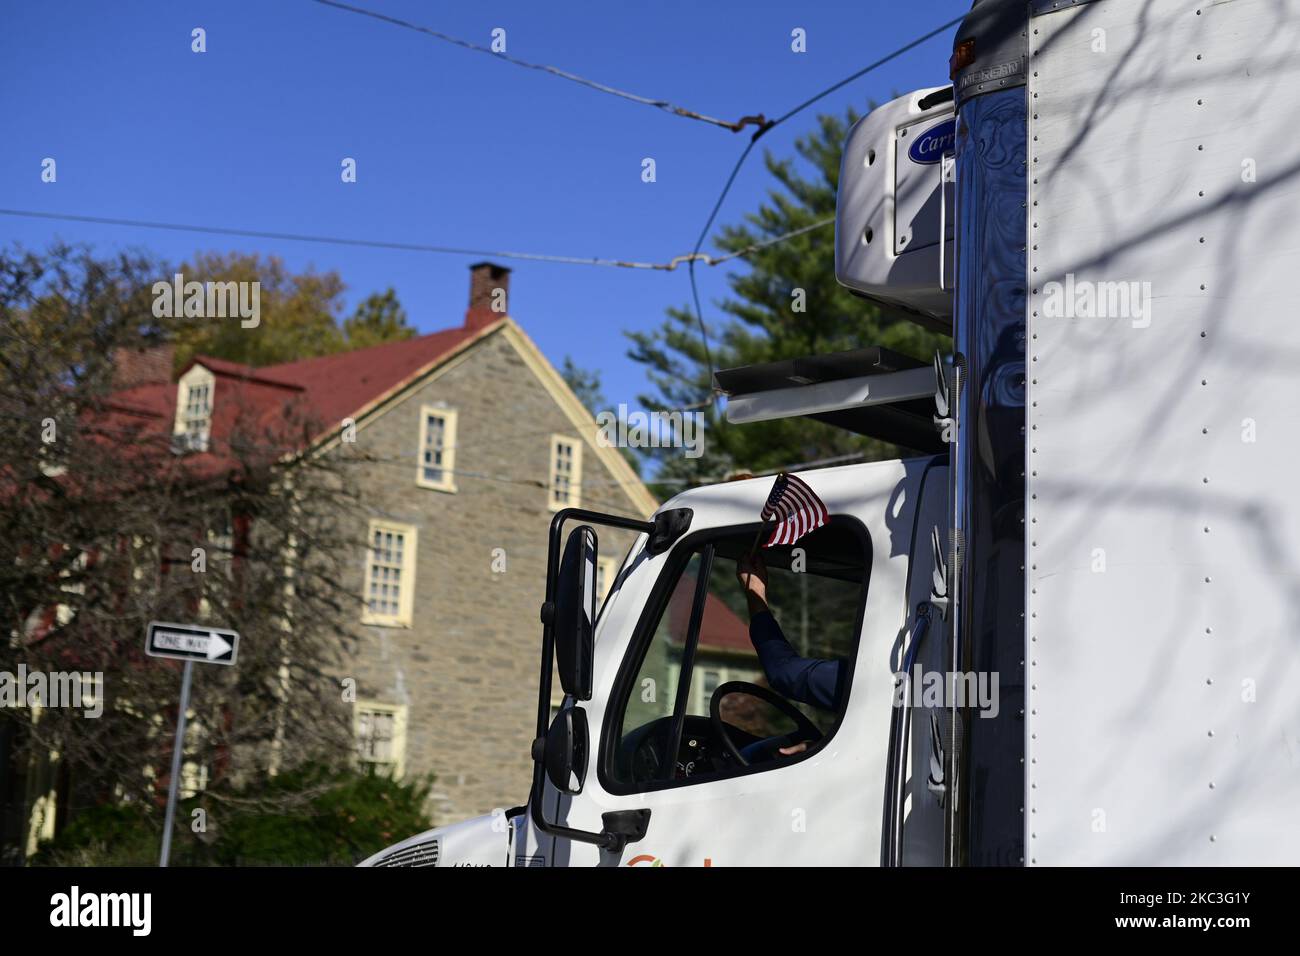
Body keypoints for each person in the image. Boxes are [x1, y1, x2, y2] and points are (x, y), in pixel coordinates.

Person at [735, 551, 847, 757]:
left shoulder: (879, 673)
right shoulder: (917, 675)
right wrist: (820, 747)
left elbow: (783, 671)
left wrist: (755, 591)